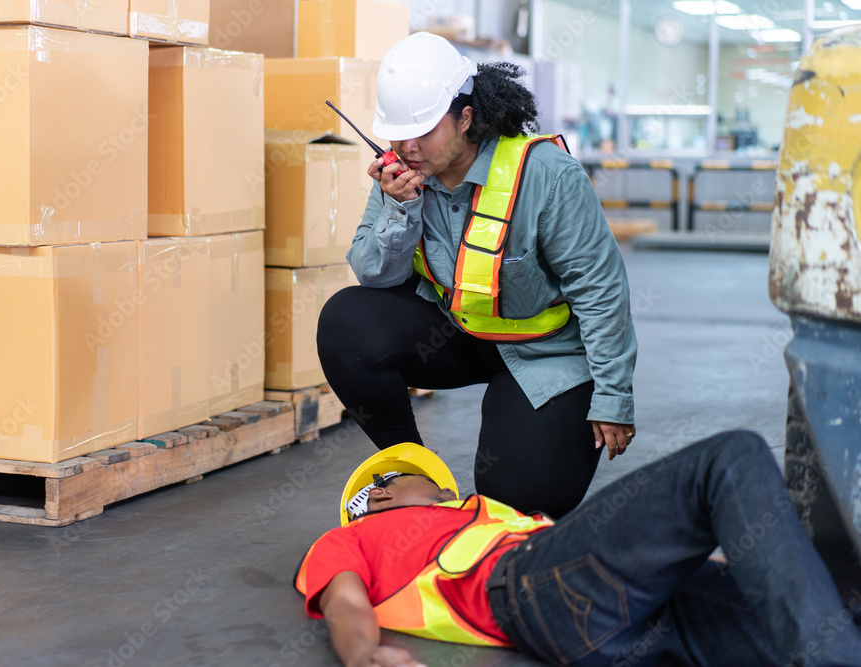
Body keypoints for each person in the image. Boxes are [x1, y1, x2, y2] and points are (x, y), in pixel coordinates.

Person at [317, 31, 637, 519]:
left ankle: (527, 439)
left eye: (423, 131)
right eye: (398, 133)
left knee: (512, 505)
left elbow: (601, 292)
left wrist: (614, 397)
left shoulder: (547, 176)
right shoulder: (401, 177)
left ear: (465, 118)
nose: (407, 147)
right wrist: (401, 210)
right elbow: (374, 277)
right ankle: (413, 472)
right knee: (346, 323)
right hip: (459, 333)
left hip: (545, 353)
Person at [294, 432, 861, 667]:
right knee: (730, 459)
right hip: (532, 588)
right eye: (418, 478)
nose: (443, 484)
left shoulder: (482, 514)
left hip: (612, 620)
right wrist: (364, 655)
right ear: (381, 496)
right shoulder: (349, 537)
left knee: (831, 614)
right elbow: (344, 601)